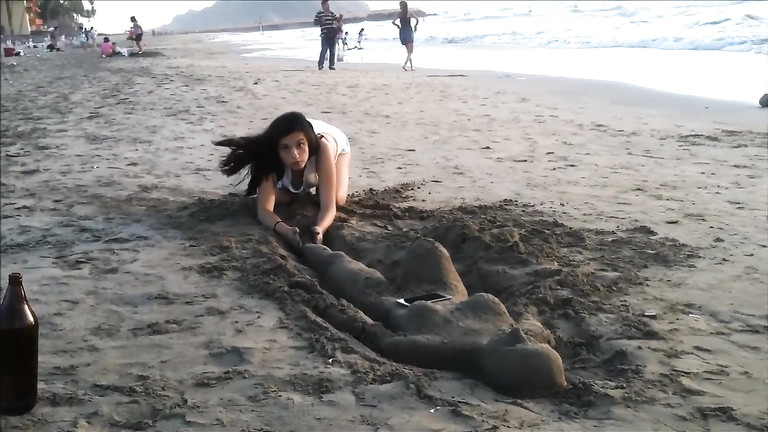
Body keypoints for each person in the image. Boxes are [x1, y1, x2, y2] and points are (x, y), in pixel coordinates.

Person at [213, 112, 352, 248]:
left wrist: (320, 229)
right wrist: (285, 230)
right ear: (276, 150)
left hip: (335, 144)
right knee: (279, 197)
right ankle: (298, 191)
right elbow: (264, 211)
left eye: (300, 145)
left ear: (308, 143)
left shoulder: (322, 148)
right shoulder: (269, 157)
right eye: (285, 148)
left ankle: (316, 186)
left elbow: (329, 207)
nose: (295, 154)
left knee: (336, 199)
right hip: (298, 136)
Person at [392, 1, 419, 71]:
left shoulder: (399, 13)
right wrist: (415, 26)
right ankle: (404, 65)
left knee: (408, 51)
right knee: (411, 51)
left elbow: (393, 22)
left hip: (402, 31)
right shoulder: (409, 12)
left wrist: (397, 26)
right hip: (408, 31)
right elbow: (417, 19)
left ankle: (411, 67)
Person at [313, 0, 337, 70]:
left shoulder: (331, 13)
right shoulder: (319, 13)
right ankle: (320, 65)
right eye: (327, 5)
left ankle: (331, 65)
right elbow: (315, 22)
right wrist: (320, 21)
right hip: (325, 33)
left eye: (328, 5)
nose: (328, 6)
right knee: (324, 49)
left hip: (332, 33)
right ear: (323, 6)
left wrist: (340, 18)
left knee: (332, 50)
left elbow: (336, 20)